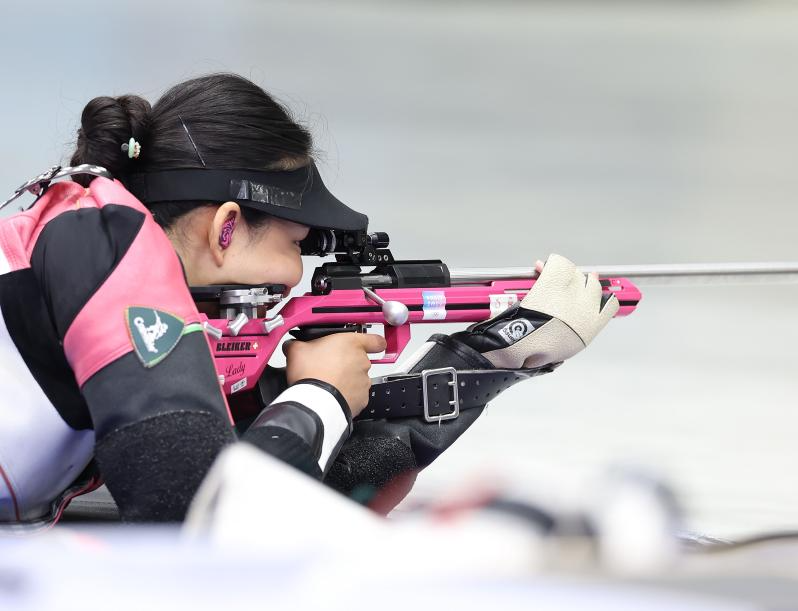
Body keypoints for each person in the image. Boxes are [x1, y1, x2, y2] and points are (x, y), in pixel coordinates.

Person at [0, 73, 618, 525]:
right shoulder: (109, 241)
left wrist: (492, 355)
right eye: (298, 243)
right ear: (225, 228)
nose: (299, 275)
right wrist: (316, 394)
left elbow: (340, 493)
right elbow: (191, 518)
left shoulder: (92, 238)